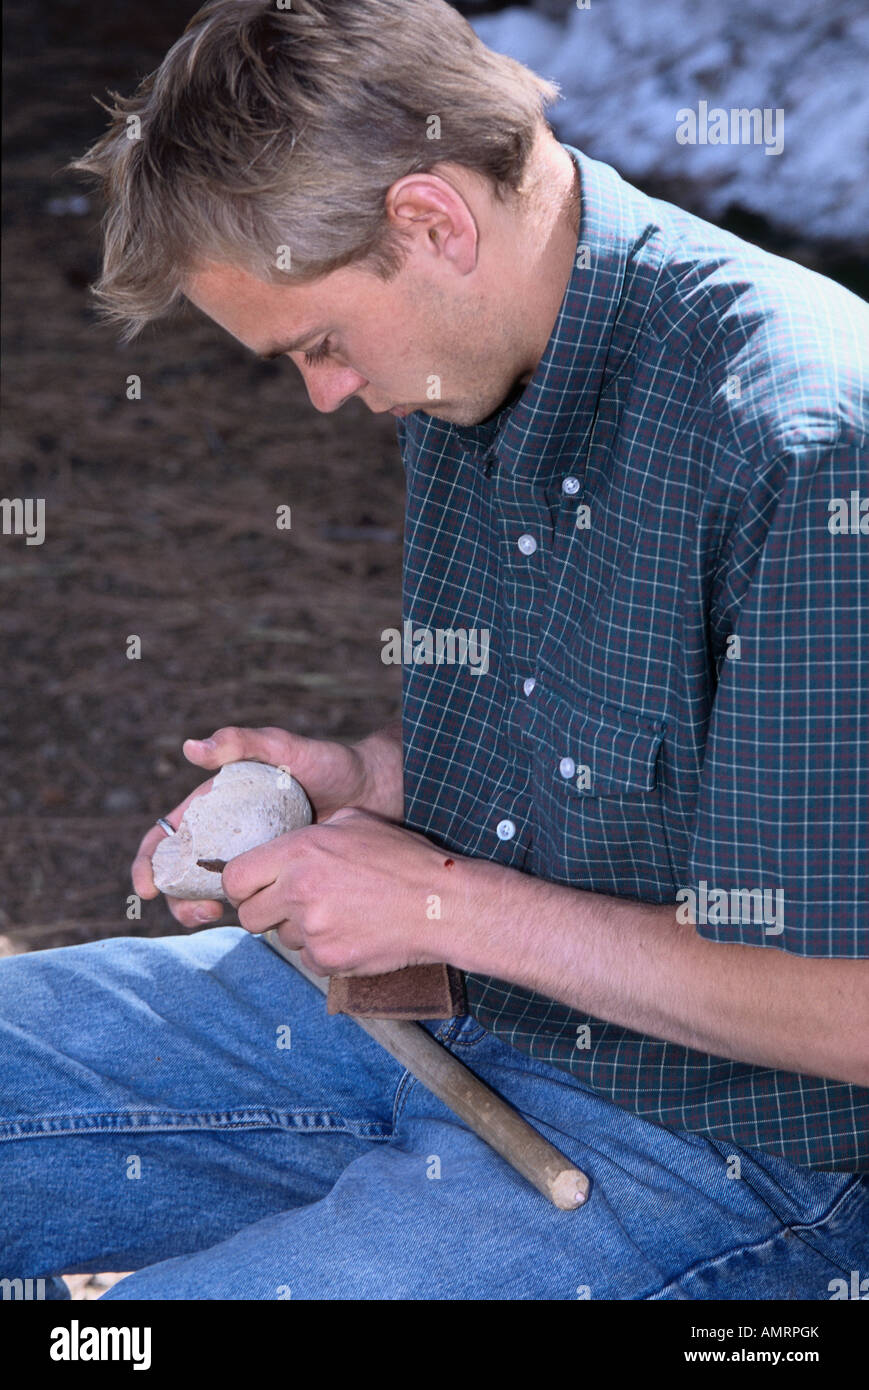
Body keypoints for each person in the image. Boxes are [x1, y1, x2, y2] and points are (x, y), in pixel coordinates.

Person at [2, 0, 867, 1300]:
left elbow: (845, 1003)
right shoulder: (473, 352)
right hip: (449, 1020)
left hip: (731, 1148)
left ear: (430, 220)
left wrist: (437, 904)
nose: (325, 394)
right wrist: (359, 782)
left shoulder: (799, 447)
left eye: (323, 344)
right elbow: (636, 766)